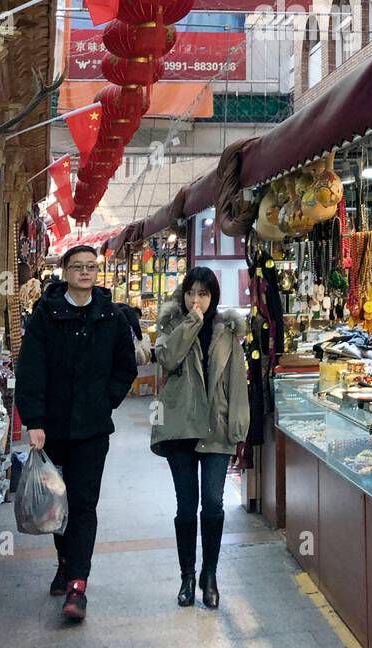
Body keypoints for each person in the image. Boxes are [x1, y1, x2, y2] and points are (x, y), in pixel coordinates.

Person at [14, 244, 138, 623]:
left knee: (83, 504)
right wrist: (34, 421)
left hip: (92, 430)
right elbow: (30, 369)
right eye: (78, 267)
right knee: (57, 502)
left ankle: (77, 585)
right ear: (65, 272)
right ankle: (64, 563)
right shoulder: (45, 316)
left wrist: (107, 402)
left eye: (91, 267)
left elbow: (125, 366)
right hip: (52, 429)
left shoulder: (111, 317)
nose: (85, 273)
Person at [151, 267, 250, 610]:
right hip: (180, 428)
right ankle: (186, 576)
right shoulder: (171, 324)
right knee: (185, 507)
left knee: (214, 504)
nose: (197, 300)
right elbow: (167, 358)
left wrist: (239, 432)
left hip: (216, 429)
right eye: (192, 292)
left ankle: (210, 574)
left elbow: (237, 383)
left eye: (204, 294)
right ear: (184, 294)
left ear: (214, 297)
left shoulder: (228, 331)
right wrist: (192, 321)